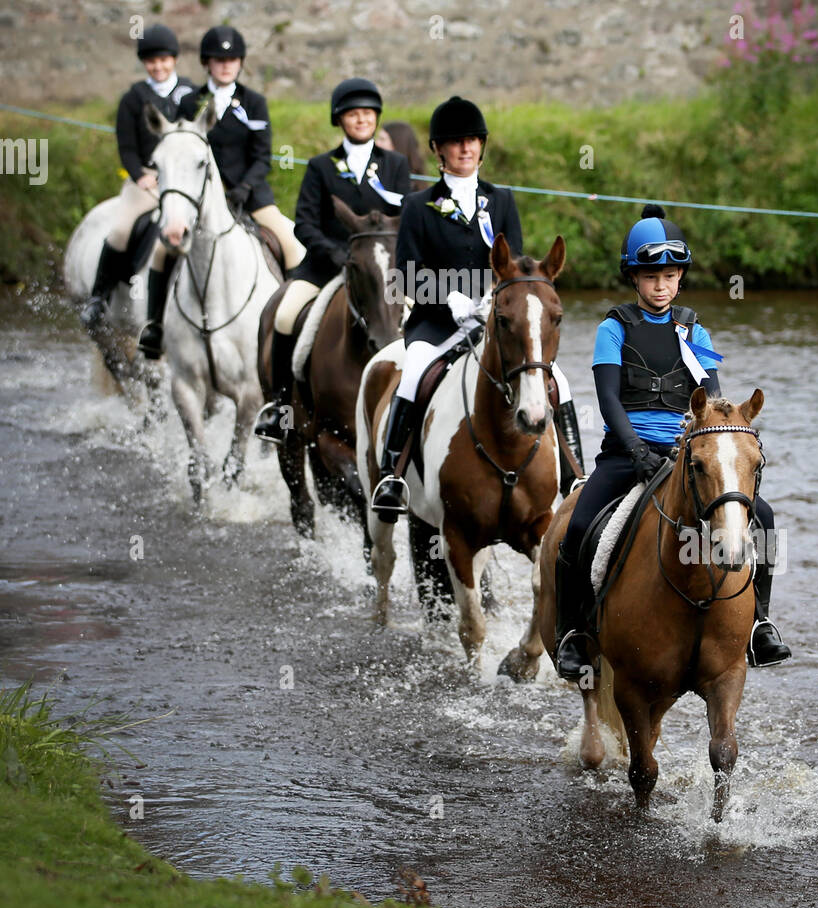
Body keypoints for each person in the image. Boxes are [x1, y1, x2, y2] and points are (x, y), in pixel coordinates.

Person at [553, 204, 790, 682]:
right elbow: (608, 401)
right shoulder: (612, 328)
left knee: (761, 516)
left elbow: (714, 402)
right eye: (651, 276)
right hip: (627, 454)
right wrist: (637, 451)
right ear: (634, 278)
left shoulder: (694, 329)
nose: (662, 285)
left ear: (680, 276)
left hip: (686, 455)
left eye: (670, 275)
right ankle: (573, 633)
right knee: (577, 528)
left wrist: (710, 442)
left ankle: (759, 621)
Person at [371, 97, 585, 519]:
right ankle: (391, 475)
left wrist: (496, 300)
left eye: (472, 141)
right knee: (414, 372)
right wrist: (447, 297)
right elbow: (405, 275)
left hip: (495, 321)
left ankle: (574, 474)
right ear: (438, 150)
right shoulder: (418, 206)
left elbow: (518, 267)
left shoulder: (501, 200)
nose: (465, 149)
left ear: (481, 146)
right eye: (455, 142)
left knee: (556, 375)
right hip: (435, 322)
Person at [254, 77, 410, 442]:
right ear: (340, 120)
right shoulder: (321, 167)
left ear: (376, 118)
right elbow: (305, 224)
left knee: (421, 315)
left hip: (383, 270)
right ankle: (281, 410)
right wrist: (338, 255)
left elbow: (408, 218)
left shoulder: (395, 165)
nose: (361, 121)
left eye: (368, 114)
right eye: (353, 115)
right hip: (327, 266)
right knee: (285, 314)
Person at [137, 25, 299, 358]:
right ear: (207, 63)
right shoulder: (189, 102)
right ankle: (154, 327)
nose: (226, 65)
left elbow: (262, 155)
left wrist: (245, 187)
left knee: (292, 245)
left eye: (232, 59)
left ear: (240, 63)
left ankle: (296, 326)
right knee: (161, 250)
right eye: (218, 60)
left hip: (249, 195)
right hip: (197, 199)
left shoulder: (254, 103)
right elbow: (177, 150)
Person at [82, 26, 197, 330]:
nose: (158, 67)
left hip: (184, 180)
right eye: (151, 62)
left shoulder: (190, 94)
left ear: (173, 60)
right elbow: (127, 147)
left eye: (163, 60)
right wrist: (139, 177)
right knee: (120, 229)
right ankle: (99, 297)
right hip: (147, 180)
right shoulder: (133, 99)